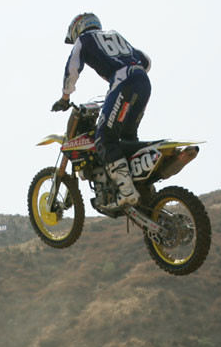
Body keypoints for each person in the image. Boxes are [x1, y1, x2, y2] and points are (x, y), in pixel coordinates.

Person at [51, 13, 151, 209]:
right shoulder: (115, 36)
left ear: (77, 28)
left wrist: (65, 97)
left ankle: (127, 191)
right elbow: (145, 61)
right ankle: (140, 185)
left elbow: (73, 67)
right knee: (127, 137)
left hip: (123, 83)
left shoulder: (85, 39)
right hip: (143, 81)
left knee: (104, 138)